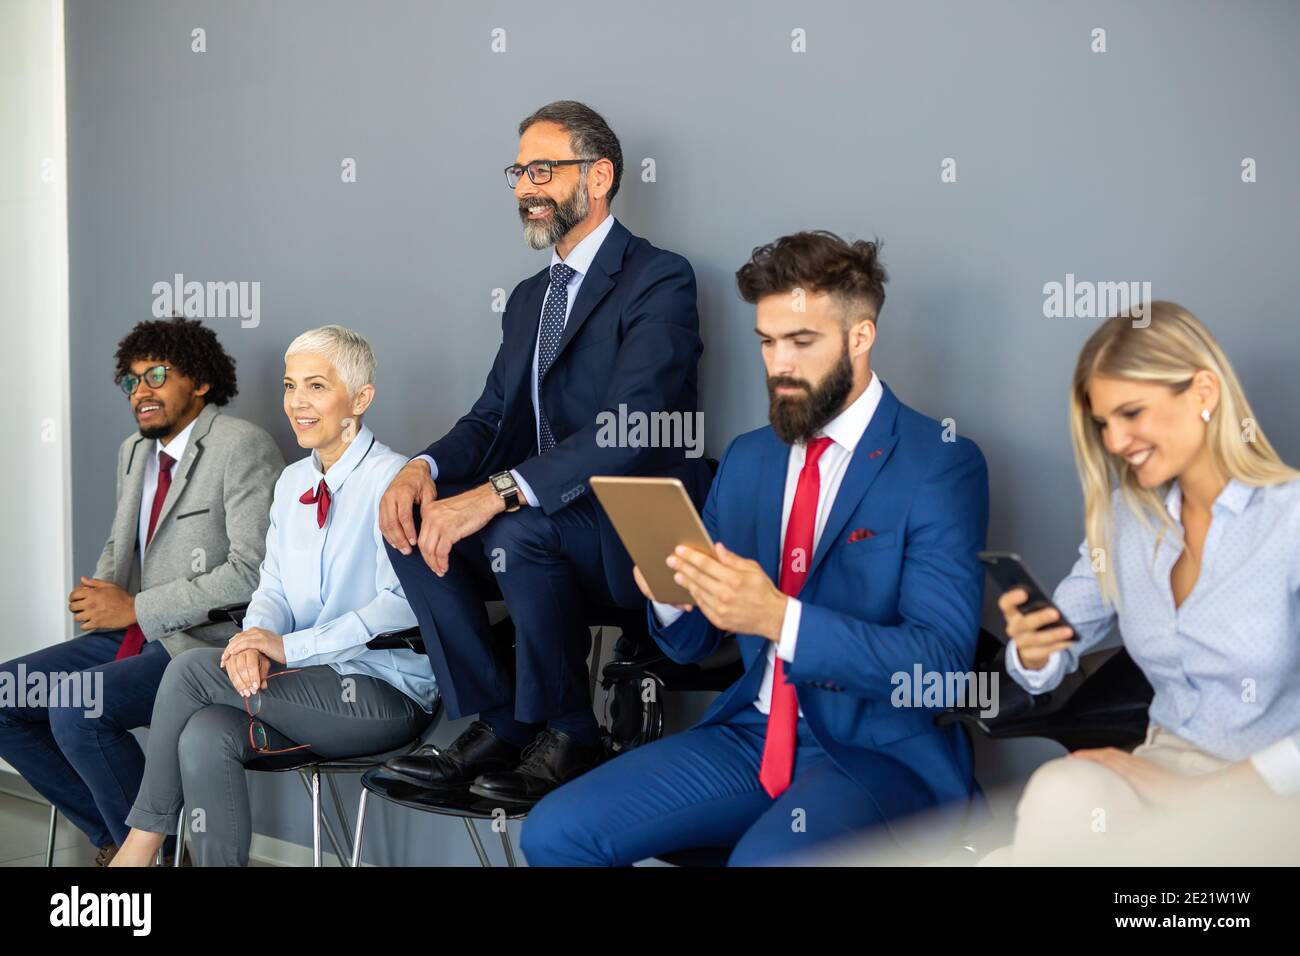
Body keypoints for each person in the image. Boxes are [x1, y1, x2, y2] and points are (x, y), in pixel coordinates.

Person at [520, 231, 990, 865]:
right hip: (751, 735)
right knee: (554, 832)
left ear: (860, 336)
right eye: (767, 342)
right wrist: (671, 597)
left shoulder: (939, 462)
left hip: (877, 755)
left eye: (801, 342)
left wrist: (779, 619)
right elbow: (691, 644)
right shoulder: (748, 458)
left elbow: (937, 669)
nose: (779, 365)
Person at [379, 100, 710, 804]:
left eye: (542, 169)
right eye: (518, 172)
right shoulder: (531, 298)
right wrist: (421, 470)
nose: (526, 188)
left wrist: (498, 491)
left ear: (598, 177)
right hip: (545, 519)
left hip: (628, 529)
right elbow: (493, 416)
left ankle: (571, 736)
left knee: (519, 527)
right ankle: (502, 722)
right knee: (409, 527)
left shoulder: (659, 278)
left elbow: (634, 425)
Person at [982, 301, 1300, 865]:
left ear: (1203, 392)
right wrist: (1032, 651)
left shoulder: (1290, 519)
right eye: (1103, 423)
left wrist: (1205, 796)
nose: (1114, 441)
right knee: (1062, 792)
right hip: (1164, 767)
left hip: (1275, 793)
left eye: (1131, 413)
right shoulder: (1126, 520)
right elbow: (1050, 653)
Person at [110, 326, 437, 866]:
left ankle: (139, 849)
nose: (297, 404)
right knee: (205, 732)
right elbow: (273, 589)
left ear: (360, 398)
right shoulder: (291, 483)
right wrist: (252, 642)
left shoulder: (395, 481)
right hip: (305, 689)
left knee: (192, 670)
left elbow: (398, 607)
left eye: (316, 386)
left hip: (384, 694)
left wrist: (289, 649)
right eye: (290, 386)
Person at [0, 317, 281, 865]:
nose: (140, 392)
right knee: (9, 695)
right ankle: (122, 843)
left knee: (76, 711)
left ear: (199, 381)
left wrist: (133, 607)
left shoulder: (241, 445)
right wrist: (100, 596)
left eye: (156, 375)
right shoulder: (135, 450)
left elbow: (254, 571)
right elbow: (123, 544)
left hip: (205, 645)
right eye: (131, 381)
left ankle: (148, 854)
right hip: (133, 634)